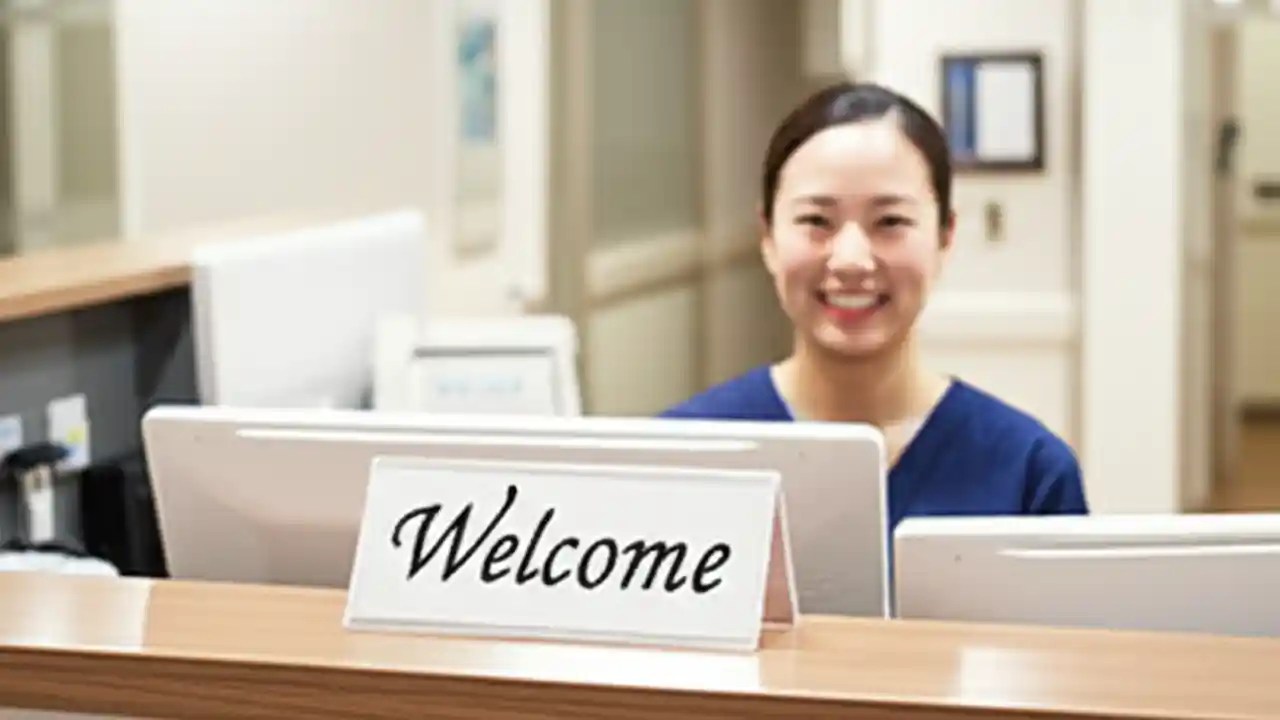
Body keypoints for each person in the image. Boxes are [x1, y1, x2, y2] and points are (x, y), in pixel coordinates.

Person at [661, 82, 1087, 530]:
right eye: (816, 221)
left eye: (890, 222)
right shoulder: (680, 457)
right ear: (767, 237)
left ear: (946, 236)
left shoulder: (1029, 472)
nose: (850, 260)